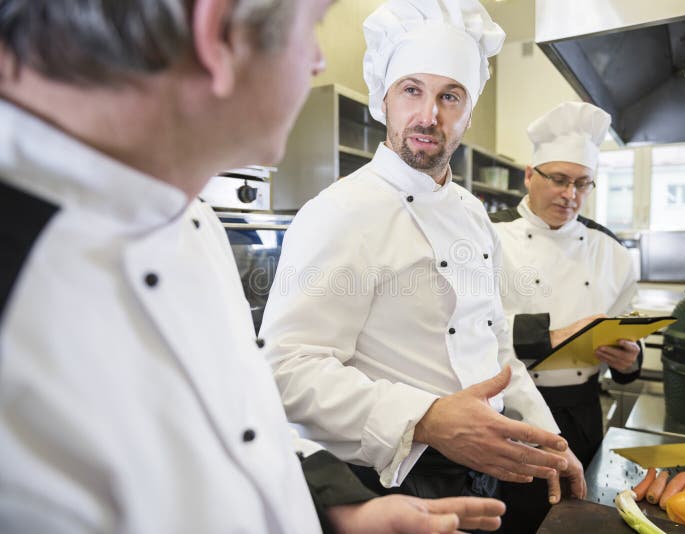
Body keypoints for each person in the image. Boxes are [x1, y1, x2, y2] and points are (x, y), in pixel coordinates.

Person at [0, 1, 507, 533]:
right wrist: (421, 419)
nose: (317, 61)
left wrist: (337, 515)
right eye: (311, 29)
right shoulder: (25, 275)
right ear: (215, 33)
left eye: (450, 96)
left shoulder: (190, 217)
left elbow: (240, 428)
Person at [260, 0, 586, 522]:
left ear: (469, 113)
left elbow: (495, 345)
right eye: (411, 90)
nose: (428, 115)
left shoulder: (473, 216)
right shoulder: (341, 212)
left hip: (485, 465)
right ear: (383, 99)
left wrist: (550, 439)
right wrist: (428, 418)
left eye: (449, 96)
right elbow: (286, 370)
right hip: (390, 478)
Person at [489, 101, 641, 531]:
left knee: (584, 519)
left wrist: (631, 361)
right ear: (528, 175)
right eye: (558, 179)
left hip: (583, 412)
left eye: (583, 183)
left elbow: (625, 325)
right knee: (517, 521)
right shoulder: (486, 236)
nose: (570, 195)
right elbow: (469, 330)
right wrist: (556, 334)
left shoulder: (610, 250)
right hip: (510, 414)